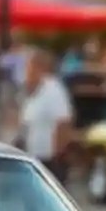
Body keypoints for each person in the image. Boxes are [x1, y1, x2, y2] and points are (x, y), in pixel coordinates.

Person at [17, 49, 74, 182]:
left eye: (28, 67)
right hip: (34, 159)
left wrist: (58, 157)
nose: (26, 73)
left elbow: (63, 123)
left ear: (39, 68)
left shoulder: (54, 90)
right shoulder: (32, 92)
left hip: (50, 161)